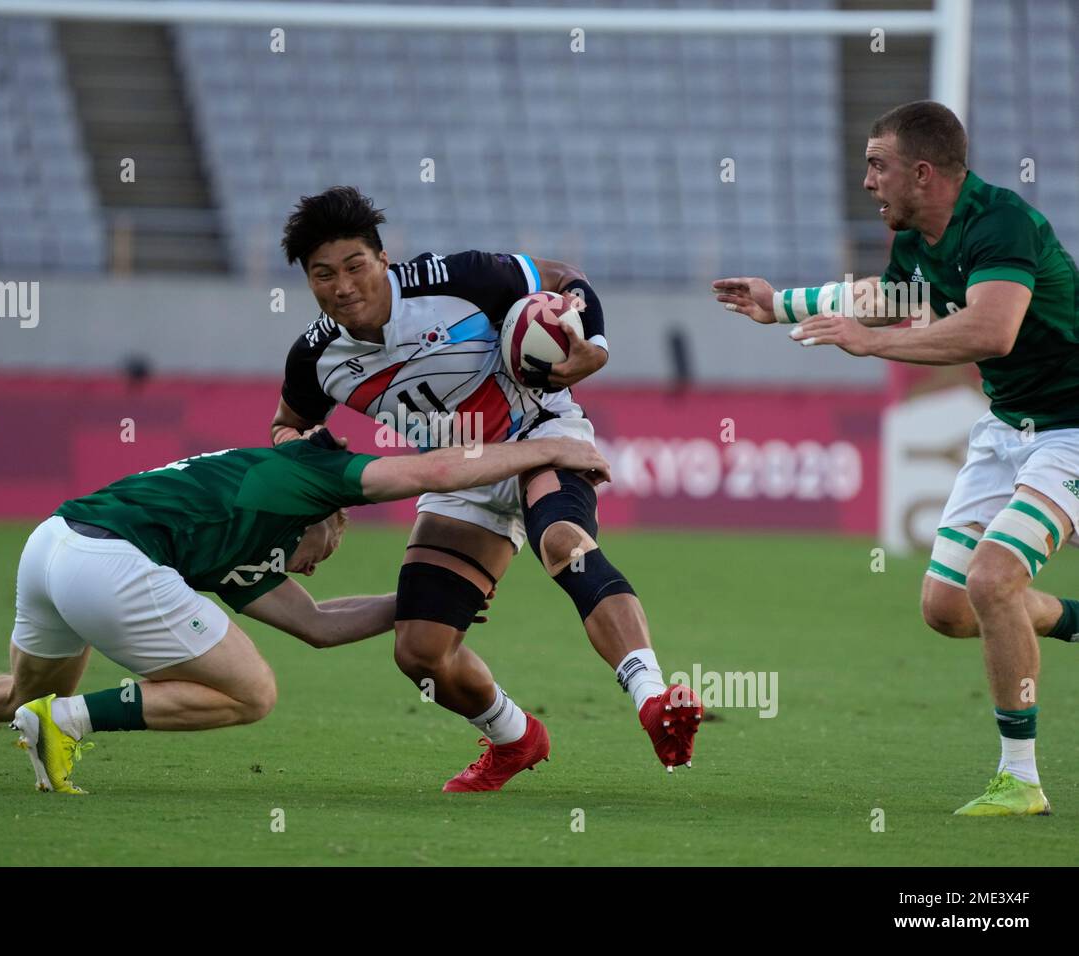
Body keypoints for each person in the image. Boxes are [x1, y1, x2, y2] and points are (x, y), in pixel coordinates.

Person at [0, 430, 609, 795]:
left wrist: (424, 601)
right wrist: (546, 451)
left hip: (53, 545)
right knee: (251, 693)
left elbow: (319, 624)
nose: (327, 553)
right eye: (332, 540)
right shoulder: (308, 477)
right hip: (108, 555)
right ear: (323, 514)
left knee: (12, 693)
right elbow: (426, 467)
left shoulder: (249, 546)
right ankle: (67, 720)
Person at [270, 186, 703, 793]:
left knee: (564, 545)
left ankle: (654, 700)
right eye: (323, 274)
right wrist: (315, 472)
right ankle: (515, 738)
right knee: (419, 651)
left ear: (382, 259)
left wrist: (594, 349)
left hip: (544, 433)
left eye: (354, 266)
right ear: (307, 280)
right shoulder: (317, 356)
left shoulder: (455, 279)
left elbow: (563, 277)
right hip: (460, 476)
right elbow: (288, 424)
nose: (343, 285)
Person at [714, 100, 1079, 816]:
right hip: (1007, 427)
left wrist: (871, 343)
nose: (867, 182)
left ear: (921, 171)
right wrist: (778, 303)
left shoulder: (1000, 222)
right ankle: (1069, 617)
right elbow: (889, 296)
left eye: (877, 165)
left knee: (993, 577)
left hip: (1071, 427)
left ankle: (1021, 780)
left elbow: (993, 328)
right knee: (948, 607)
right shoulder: (917, 239)